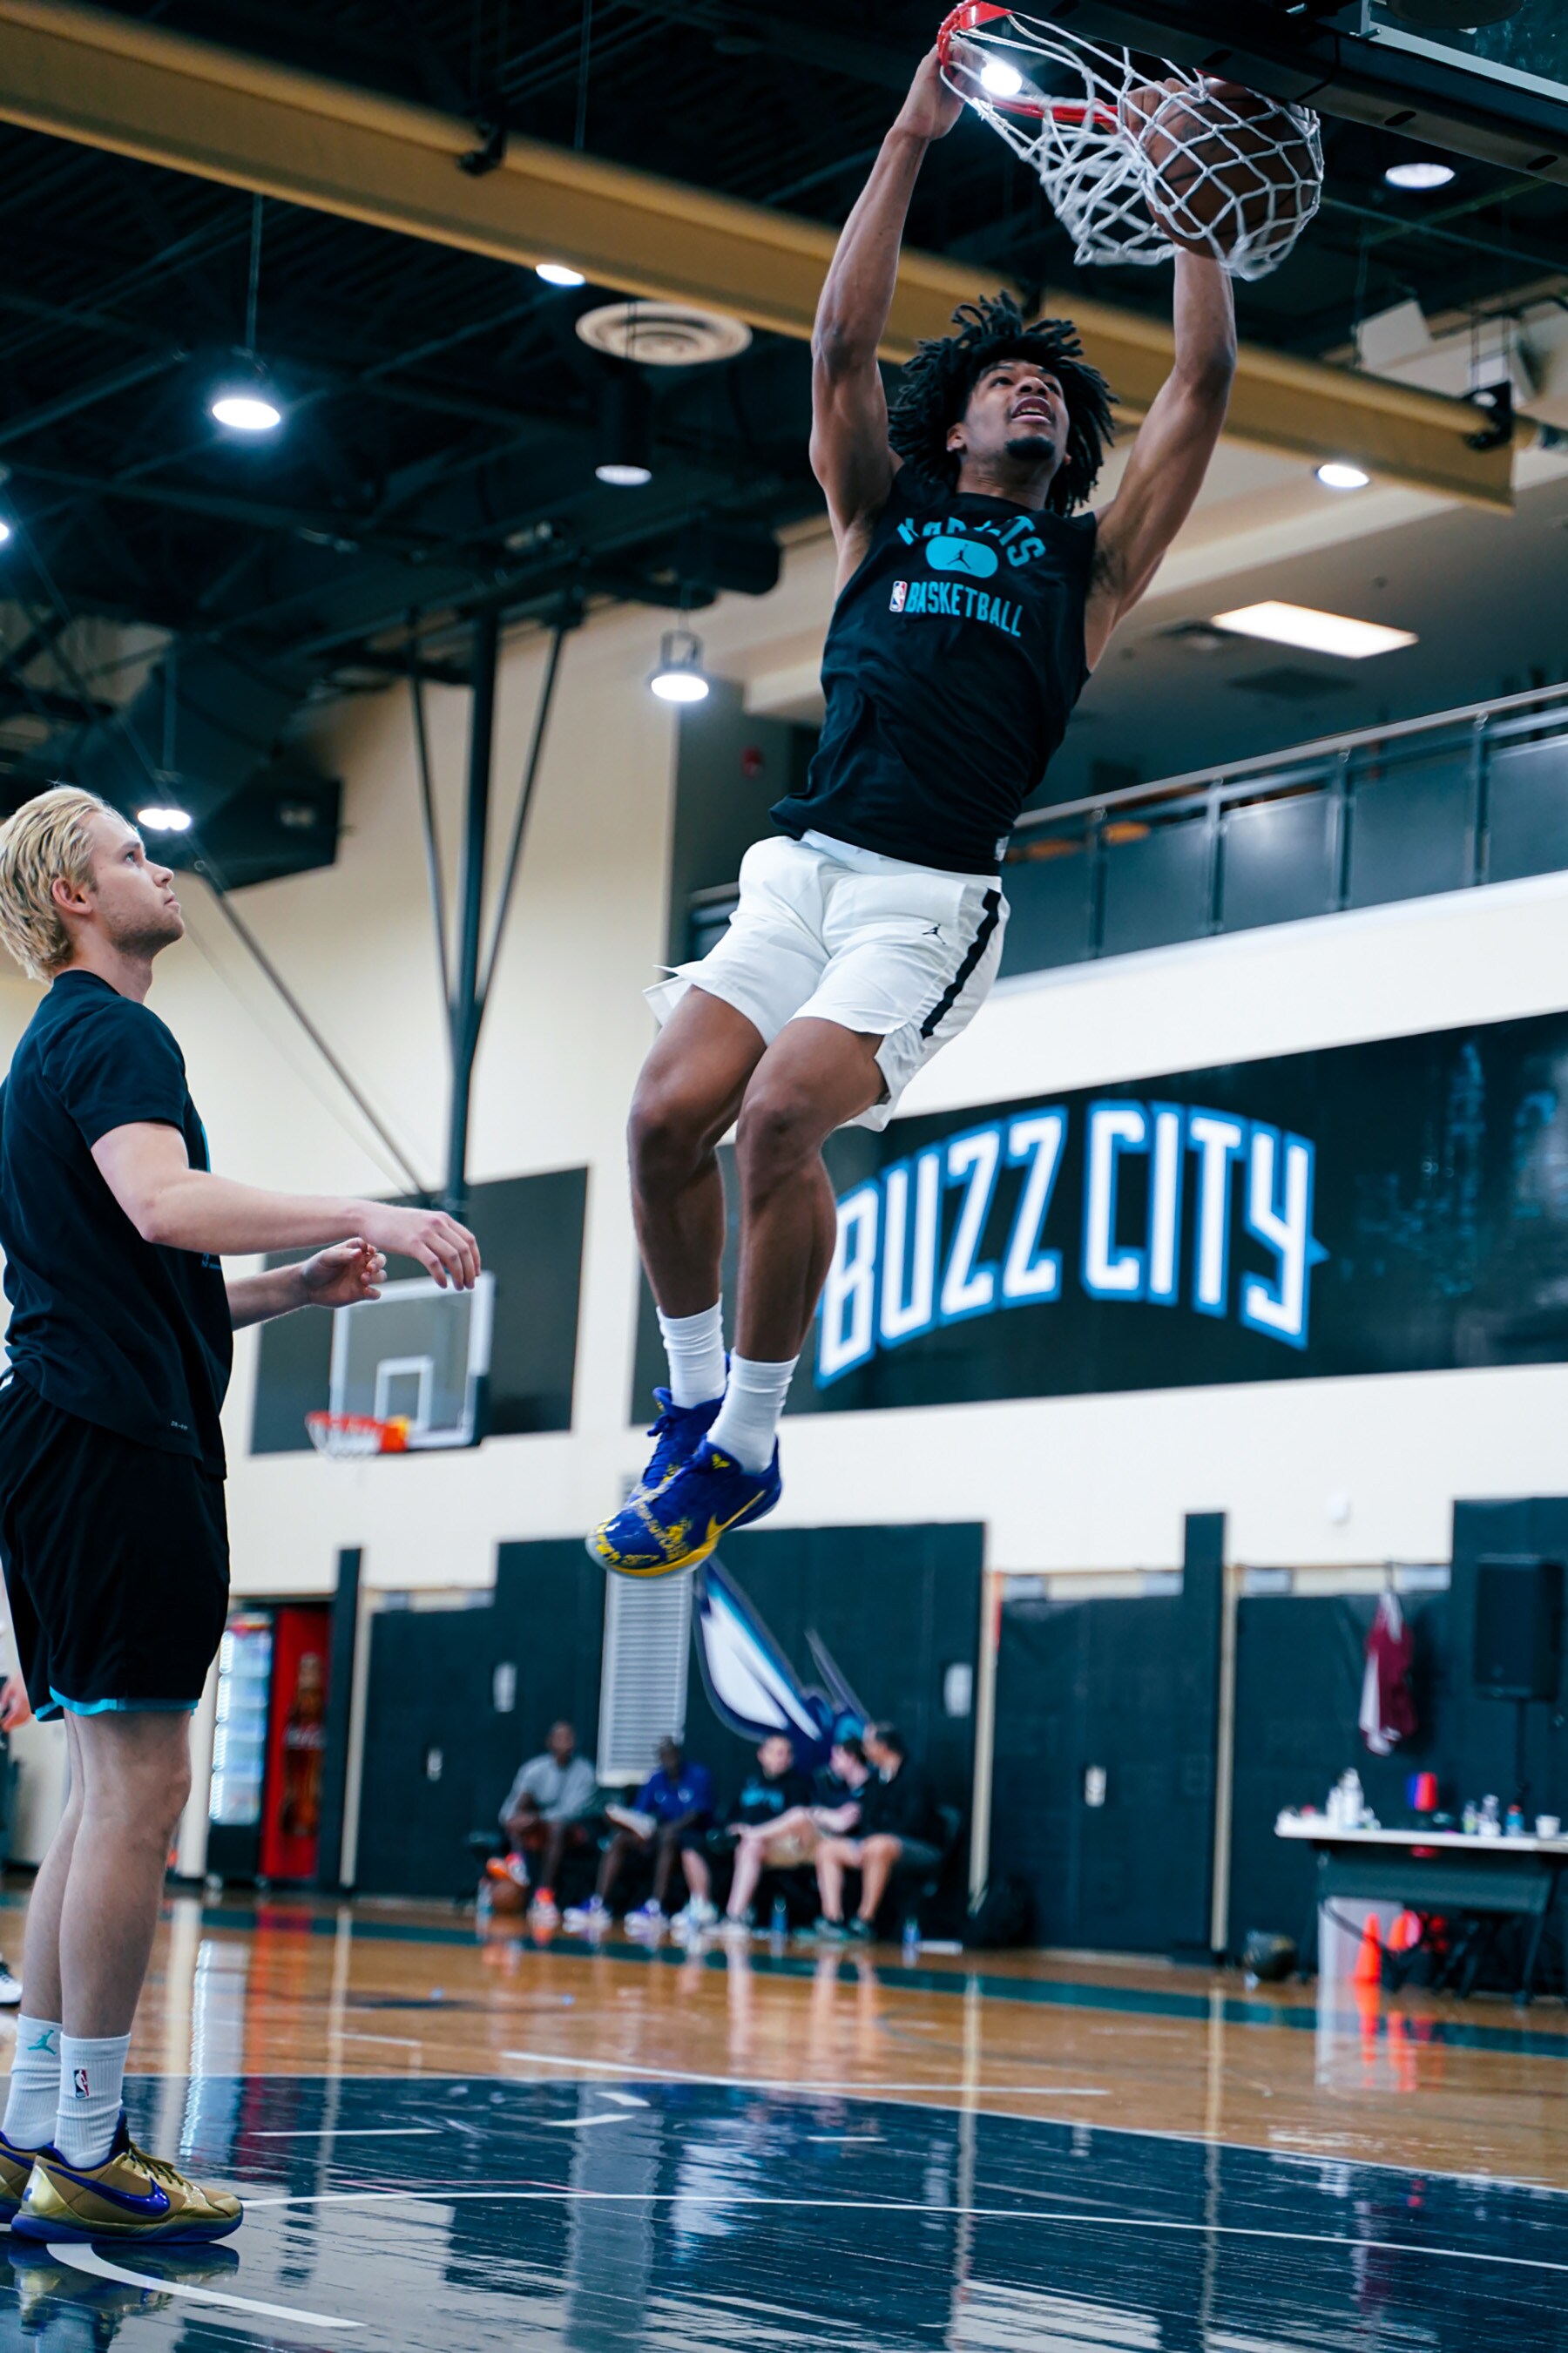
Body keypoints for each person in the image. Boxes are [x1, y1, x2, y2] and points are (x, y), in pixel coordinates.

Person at [589, 40, 1235, 1579]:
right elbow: (838, 347)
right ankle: (694, 1412)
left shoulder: (1088, 568)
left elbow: (1201, 385)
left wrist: (1194, 210)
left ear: (1068, 446)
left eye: (1051, 391)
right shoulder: (885, 512)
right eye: (1005, 381)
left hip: (926, 900)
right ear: (950, 429)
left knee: (776, 1118)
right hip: (800, 868)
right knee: (662, 1118)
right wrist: (907, 133)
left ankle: (748, 1443)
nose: (1032, 388)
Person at [0, 787, 479, 2246]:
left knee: (100, 1793)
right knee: (142, 1793)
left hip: (60, 1432)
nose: (163, 871)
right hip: (113, 1449)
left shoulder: (52, 1049)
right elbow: (164, 1204)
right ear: (74, 895)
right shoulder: (114, 1032)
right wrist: (369, 1214)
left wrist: (293, 1286)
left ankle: (31, 2126)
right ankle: (92, 2146)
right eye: (132, 855)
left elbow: (138, 1274)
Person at [721, 1732, 868, 1935]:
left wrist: (821, 1815)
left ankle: (837, 1921)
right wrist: (823, 1815)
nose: (832, 1762)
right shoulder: (752, 1782)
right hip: (784, 1845)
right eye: (776, 1752)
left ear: (852, 1758)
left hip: (818, 1843)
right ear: (761, 1755)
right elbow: (821, 1814)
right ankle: (735, 1917)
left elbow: (836, 1822)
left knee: (800, 1818)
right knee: (750, 1847)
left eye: (786, 1753)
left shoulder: (802, 1784)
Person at [814, 1725, 945, 1943]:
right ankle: (833, 1919)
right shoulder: (876, 1780)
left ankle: (864, 1921)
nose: (864, 1750)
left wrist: (875, 1840)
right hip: (874, 1844)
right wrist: (864, 1842)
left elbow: (915, 1823)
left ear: (883, 1747)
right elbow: (868, 1820)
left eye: (868, 1745)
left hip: (918, 1847)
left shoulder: (915, 1776)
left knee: (879, 1846)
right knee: (828, 1849)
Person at [572, 1737, 713, 1934]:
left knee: (668, 1838)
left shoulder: (698, 1775)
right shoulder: (656, 1779)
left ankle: (656, 1907)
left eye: (671, 1754)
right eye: (664, 1755)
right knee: (620, 1838)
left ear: (679, 1754)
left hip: (690, 1835)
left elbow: (696, 1814)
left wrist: (670, 1828)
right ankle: (599, 1903)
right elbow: (640, 1813)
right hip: (658, 1832)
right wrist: (630, 1826)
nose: (669, 1759)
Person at [489, 1720, 598, 1923]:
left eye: (569, 1737)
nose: (565, 1742)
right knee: (520, 1813)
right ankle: (517, 1863)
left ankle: (544, 1895)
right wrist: (518, 1819)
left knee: (557, 1827)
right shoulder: (533, 1769)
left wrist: (537, 1818)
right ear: (549, 1742)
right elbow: (507, 1811)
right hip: (535, 1826)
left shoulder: (585, 1772)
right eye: (560, 1738)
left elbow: (570, 1812)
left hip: (570, 1829)